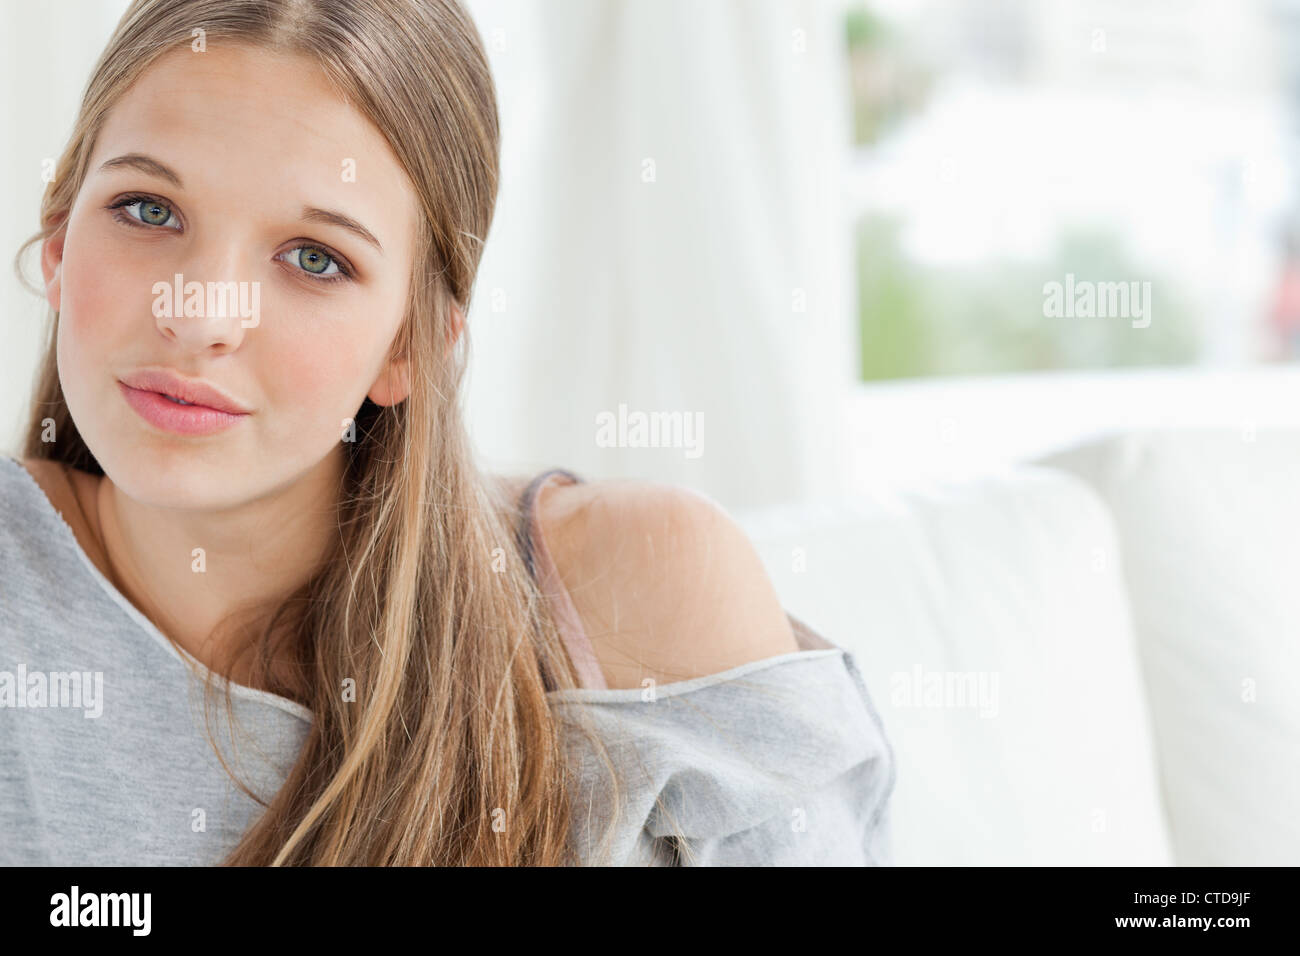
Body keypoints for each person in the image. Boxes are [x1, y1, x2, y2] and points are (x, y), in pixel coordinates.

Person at [1, 0, 894, 866]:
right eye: (148, 210)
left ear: (413, 346)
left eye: (315, 259)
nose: (199, 317)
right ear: (58, 235)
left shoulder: (645, 587)